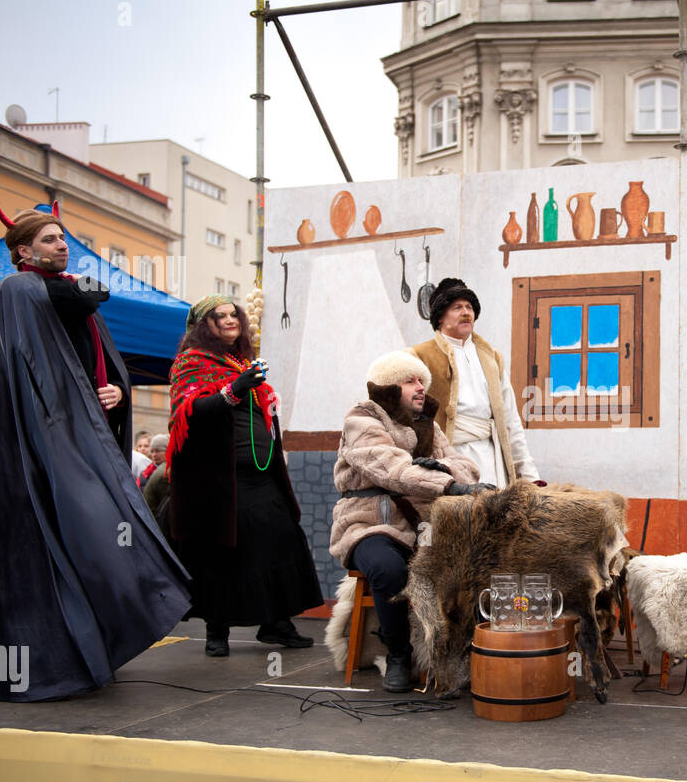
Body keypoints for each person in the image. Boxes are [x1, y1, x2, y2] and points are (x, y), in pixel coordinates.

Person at [0, 205, 190, 700]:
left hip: (76, 441)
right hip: (44, 451)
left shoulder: (67, 296)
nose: (62, 245)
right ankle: (49, 666)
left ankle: (89, 653)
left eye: (62, 237)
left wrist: (114, 391)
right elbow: (36, 373)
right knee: (59, 540)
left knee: (96, 540)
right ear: (23, 251)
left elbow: (96, 358)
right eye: (50, 239)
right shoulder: (18, 291)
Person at [168, 295, 321, 657]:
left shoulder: (241, 363)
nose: (229, 320)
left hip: (262, 470)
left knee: (281, 536)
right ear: (203, 326)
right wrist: (233, 390)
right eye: (218, 316)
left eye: (233, 314)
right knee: (224, 544)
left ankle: (275, 623)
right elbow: (192, 410)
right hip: (218, 474)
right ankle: (216, 630)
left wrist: (263, 399)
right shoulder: (190, 362)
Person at [330, 351, 488, 692]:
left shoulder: (426, 425)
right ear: (388, 386)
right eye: (410, 381)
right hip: (368, 524)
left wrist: (446, 470)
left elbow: (465, 465)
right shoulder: (362, 420)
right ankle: (398, 656)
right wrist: (446, 483)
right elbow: (390, 467)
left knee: (473, 561)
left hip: (421, 527)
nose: (420, 388)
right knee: (388, 569)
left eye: (421, 381)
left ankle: (461, 656)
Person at [408, 278, 540, 487]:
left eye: (469, 307)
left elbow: (510, 419)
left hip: (491, 459)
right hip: (447, 460)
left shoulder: (491, 358)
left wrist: (529, 475)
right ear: (440, 317)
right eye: (457, 307)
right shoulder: (419, 356)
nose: (466, 312)